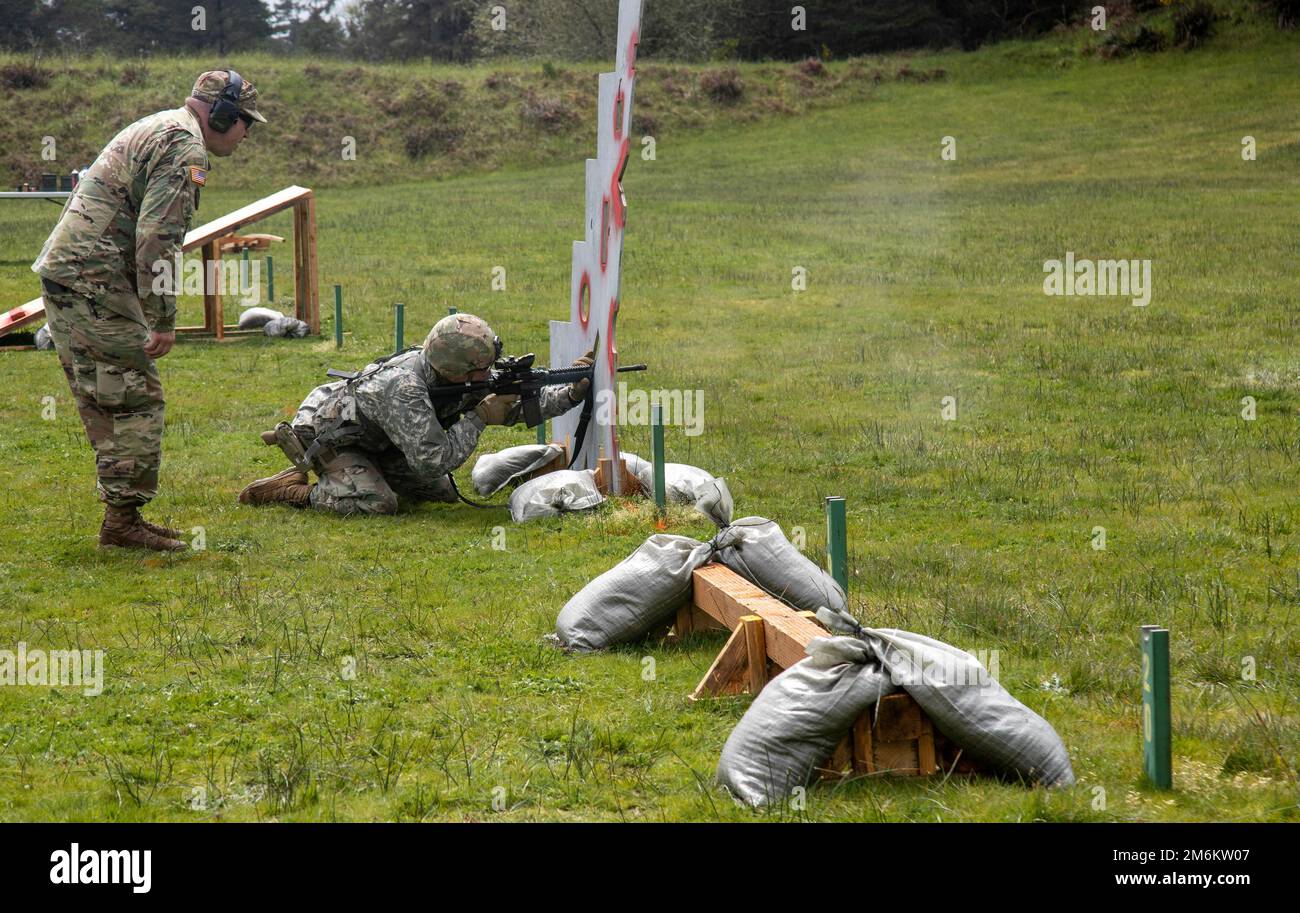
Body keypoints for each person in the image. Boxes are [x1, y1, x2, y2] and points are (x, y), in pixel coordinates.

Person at [32, 69, 266, 551]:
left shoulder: (163, 126)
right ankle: (121, 526)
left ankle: (123, 518)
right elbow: (158, 239)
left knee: (109, 396)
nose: (247, 133)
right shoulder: (184, 147)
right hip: (93, 282)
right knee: (134, 399)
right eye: (245, 121)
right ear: (222, 114)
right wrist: (161, 320)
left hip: (76, 275)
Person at [238, 313, 591, 515]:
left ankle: (359, 476)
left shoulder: (454, 375)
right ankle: (291, 490)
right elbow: (432, 461)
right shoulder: (405, 388)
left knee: (441, 494)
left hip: (381, 442)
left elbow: (512, 407)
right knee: (379, 504)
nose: (489, 376)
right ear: (456, 369)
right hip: (328, 436)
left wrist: (569, 394)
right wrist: (480, 418)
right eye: (482, 370)